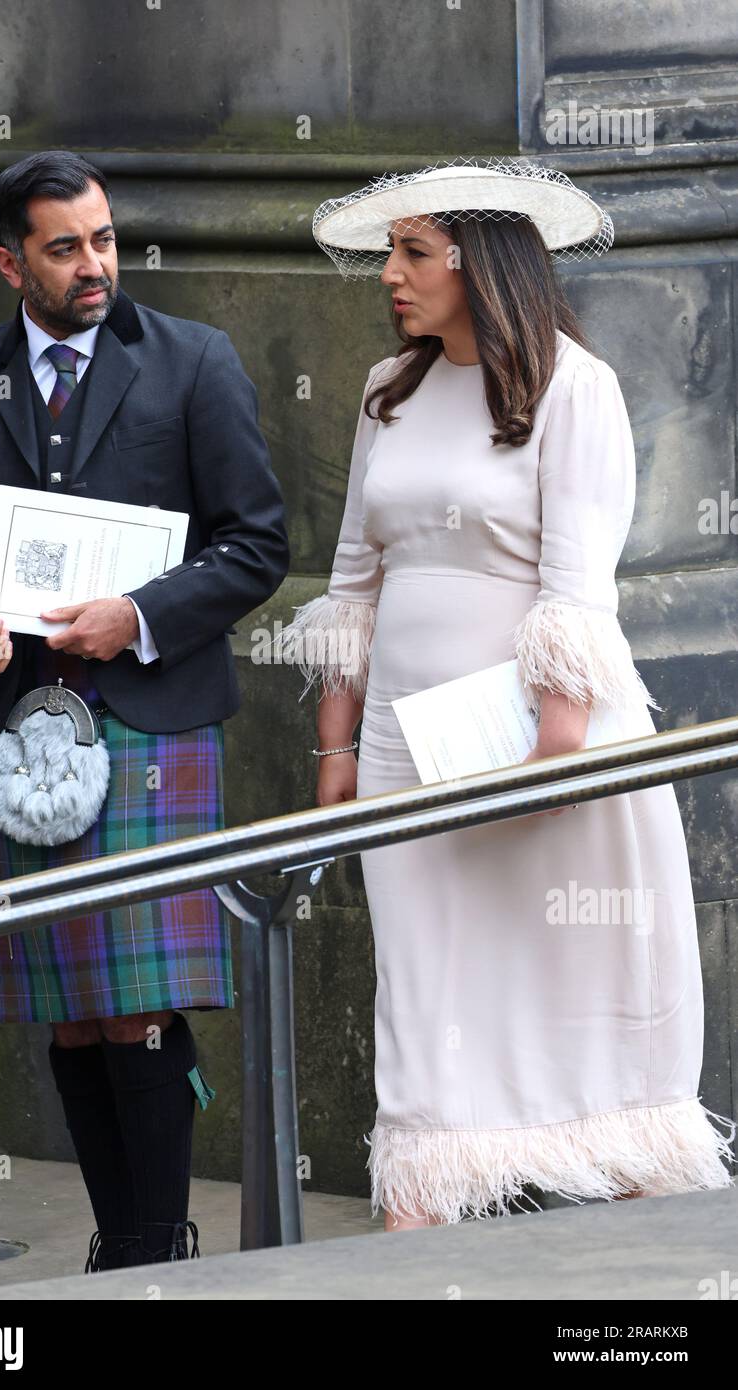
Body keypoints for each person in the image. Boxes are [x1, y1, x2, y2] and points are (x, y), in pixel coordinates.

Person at [278, 157, 735, 1230]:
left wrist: (551, 759)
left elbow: (575, 591)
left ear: (479, 264)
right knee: (428, 990)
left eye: (413, 251)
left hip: (543, 746)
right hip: (402, 751)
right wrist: (335, 762)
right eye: (389, 251)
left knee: (575, 987)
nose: (388, 274)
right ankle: (418, 1211)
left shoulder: (575, 388)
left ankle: (636, 1231)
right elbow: (351, 586)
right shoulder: (384, 392)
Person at [0, 150, 289, 1269]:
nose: (94, 264)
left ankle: (152, 1244)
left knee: (139, 998)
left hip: (152, 719)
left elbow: (255, 542)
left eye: (104, 238)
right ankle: (117, 1238)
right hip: (24, 727)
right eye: (64, 246)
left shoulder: (191, 363)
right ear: (8, 260)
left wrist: (138, 615)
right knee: (68, 1004)